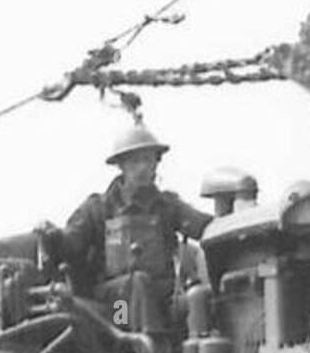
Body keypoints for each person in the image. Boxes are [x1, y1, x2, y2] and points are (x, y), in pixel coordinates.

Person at [36, 121, 211, 339]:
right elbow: (71, 245)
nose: (143, 167)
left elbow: (206, 228)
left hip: (165, 296)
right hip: (117, 305)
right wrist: (53, 237)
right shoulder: (98, 208)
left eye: (148, 160)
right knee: (136, 284)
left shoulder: (167, 205)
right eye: (135, 161)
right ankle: (139, 347)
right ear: (121, 166)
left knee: (199, 296)